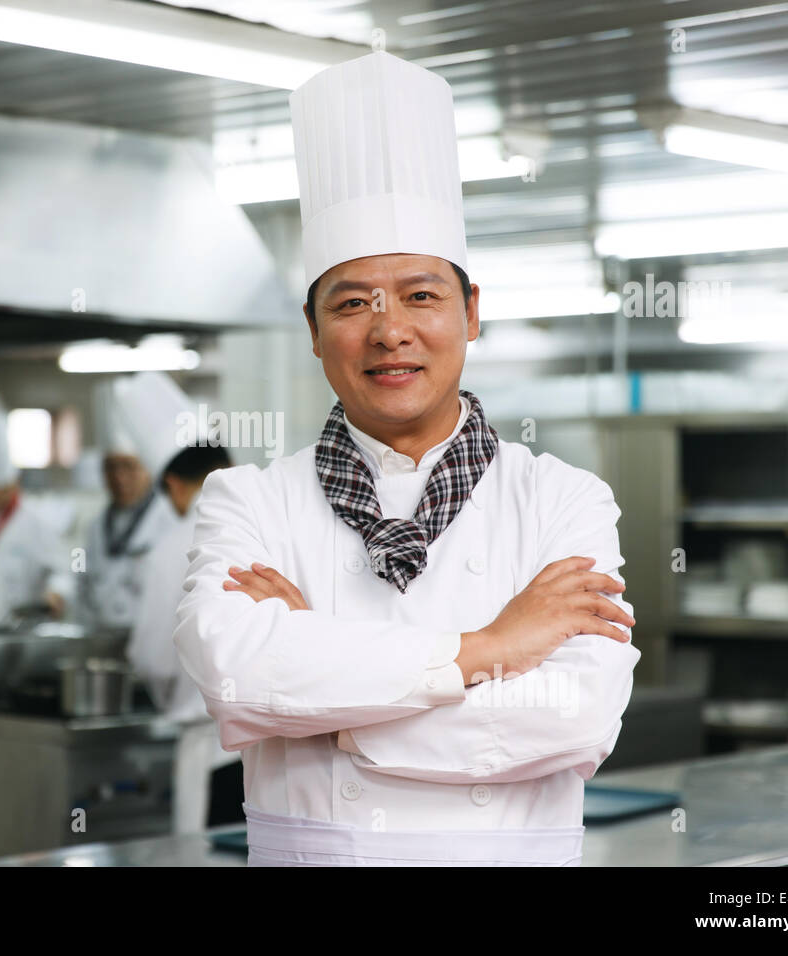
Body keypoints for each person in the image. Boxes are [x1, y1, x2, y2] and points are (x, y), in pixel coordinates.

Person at [173, 51, 641, 867]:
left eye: (421, 295)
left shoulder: (566, 499)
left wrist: (330, 701)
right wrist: (488, 648)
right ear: (315, 332)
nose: (390, 330)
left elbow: (577, 713)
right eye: (353, 303)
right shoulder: (247, 500)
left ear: (471, 313)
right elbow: (236, 677)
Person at [128, 443, 236, 833]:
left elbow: (152, 658)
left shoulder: (170, 548)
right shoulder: (266, 527)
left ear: (173, 485)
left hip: (209, 748)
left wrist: (169, 699)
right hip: (278, 754)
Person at [78, 381, 178, 631]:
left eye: (128, 466)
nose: (119, 478)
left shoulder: (169, 521)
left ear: (147, 468)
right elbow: (80, 584)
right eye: (111, 467)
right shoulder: (94, 528)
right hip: (101, 647)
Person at [0, 410, 72, 629]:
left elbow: (69, 567)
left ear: (14, 483)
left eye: (0, 490)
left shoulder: (39, 522)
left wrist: (57, 591)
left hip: (24, 629)